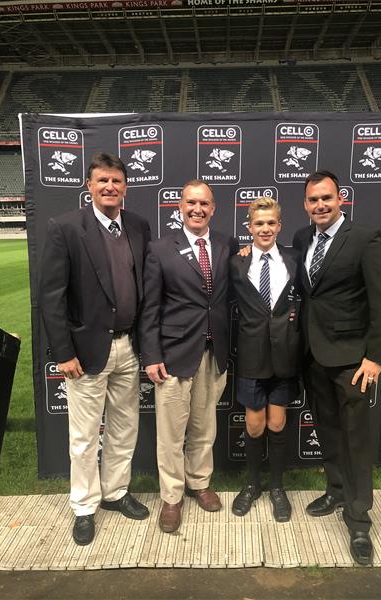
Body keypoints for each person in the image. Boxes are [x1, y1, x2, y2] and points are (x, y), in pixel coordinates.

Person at [38, 152, 152, 547]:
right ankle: (84, 506)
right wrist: (63, 352)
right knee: (85, 437)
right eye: (102, 180)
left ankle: (116, 492)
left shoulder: (138, 226)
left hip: (128, 347)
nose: (110, 187)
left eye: (116, 181)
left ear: (125, 187)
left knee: (124, 427)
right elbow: (51, 297)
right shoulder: (65, 227)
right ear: (89, 186)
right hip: (85, 353)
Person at [292, 170, 381, 565]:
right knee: (327, 430)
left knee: (355, 439)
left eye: (327, 198)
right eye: (313, 199)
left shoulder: (364, 239)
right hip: (313, 356)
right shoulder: (302, 238)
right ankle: (336, 490)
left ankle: (358, 520)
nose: (320, 205)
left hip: (353, 360)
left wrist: (375, 357)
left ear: (341, 199)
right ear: (305, 204)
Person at [139, 179, 239, 533]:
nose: (198, 209)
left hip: (214, 352)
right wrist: (151, 355)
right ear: (180, 206)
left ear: (213, 208)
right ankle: (171, 496)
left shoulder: (228, 244)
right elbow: (150, 307)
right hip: (173, 354)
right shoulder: (160, 248)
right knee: (170, 433)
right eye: (191, 203)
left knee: (204, 427)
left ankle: (200, 482)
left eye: (204, 203)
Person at [228, 197, 301, 522]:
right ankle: (252, 484)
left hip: (285, 354)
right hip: (251, 356)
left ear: (279, 226)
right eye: (259, 223)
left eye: (271, 223)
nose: (266, 228)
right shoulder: (237, 263)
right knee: (255, 425)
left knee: (277, 423)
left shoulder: (294, 258)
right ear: (250, 227)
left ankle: (277, 487)